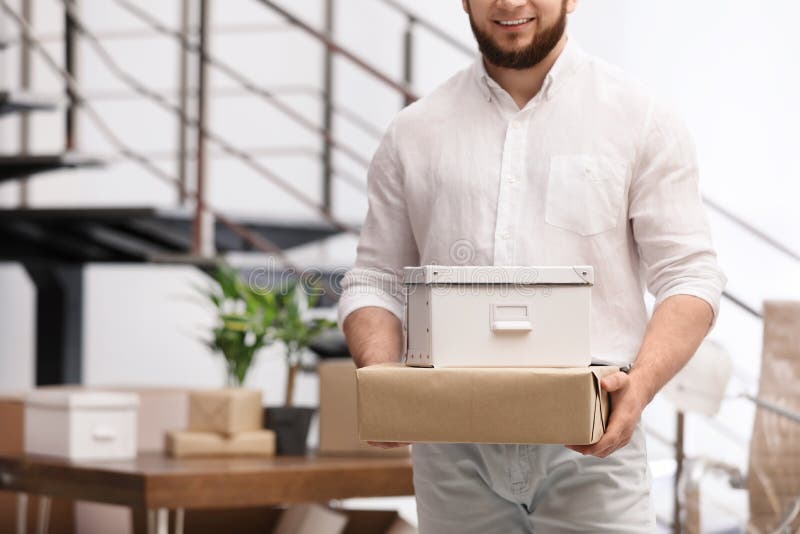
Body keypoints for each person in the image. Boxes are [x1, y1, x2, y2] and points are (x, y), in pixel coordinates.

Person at [337, 0, 727, 531]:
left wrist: (640, 386)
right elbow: (374, 282)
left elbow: (690, 275)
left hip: (593, 446)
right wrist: (385, 382)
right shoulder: (413, 132)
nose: (509, 2)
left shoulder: (640, 118)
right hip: (453, 453)